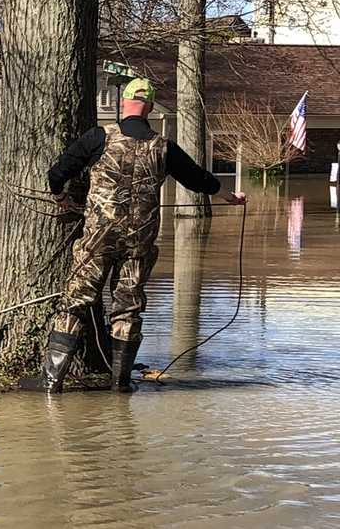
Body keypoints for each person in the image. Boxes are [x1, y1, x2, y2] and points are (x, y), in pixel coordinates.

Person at [43, 77, 246, 394]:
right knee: (128, 309)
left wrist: (60, 196)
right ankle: (121, 386)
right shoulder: (164, 147)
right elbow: (198, 179)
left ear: (124, 103)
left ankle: (52, 384)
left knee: (74, 304)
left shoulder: (99, 137)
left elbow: (58, 172)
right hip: (138, 243)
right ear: (150, 108)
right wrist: (229, 196)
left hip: (96, 241)